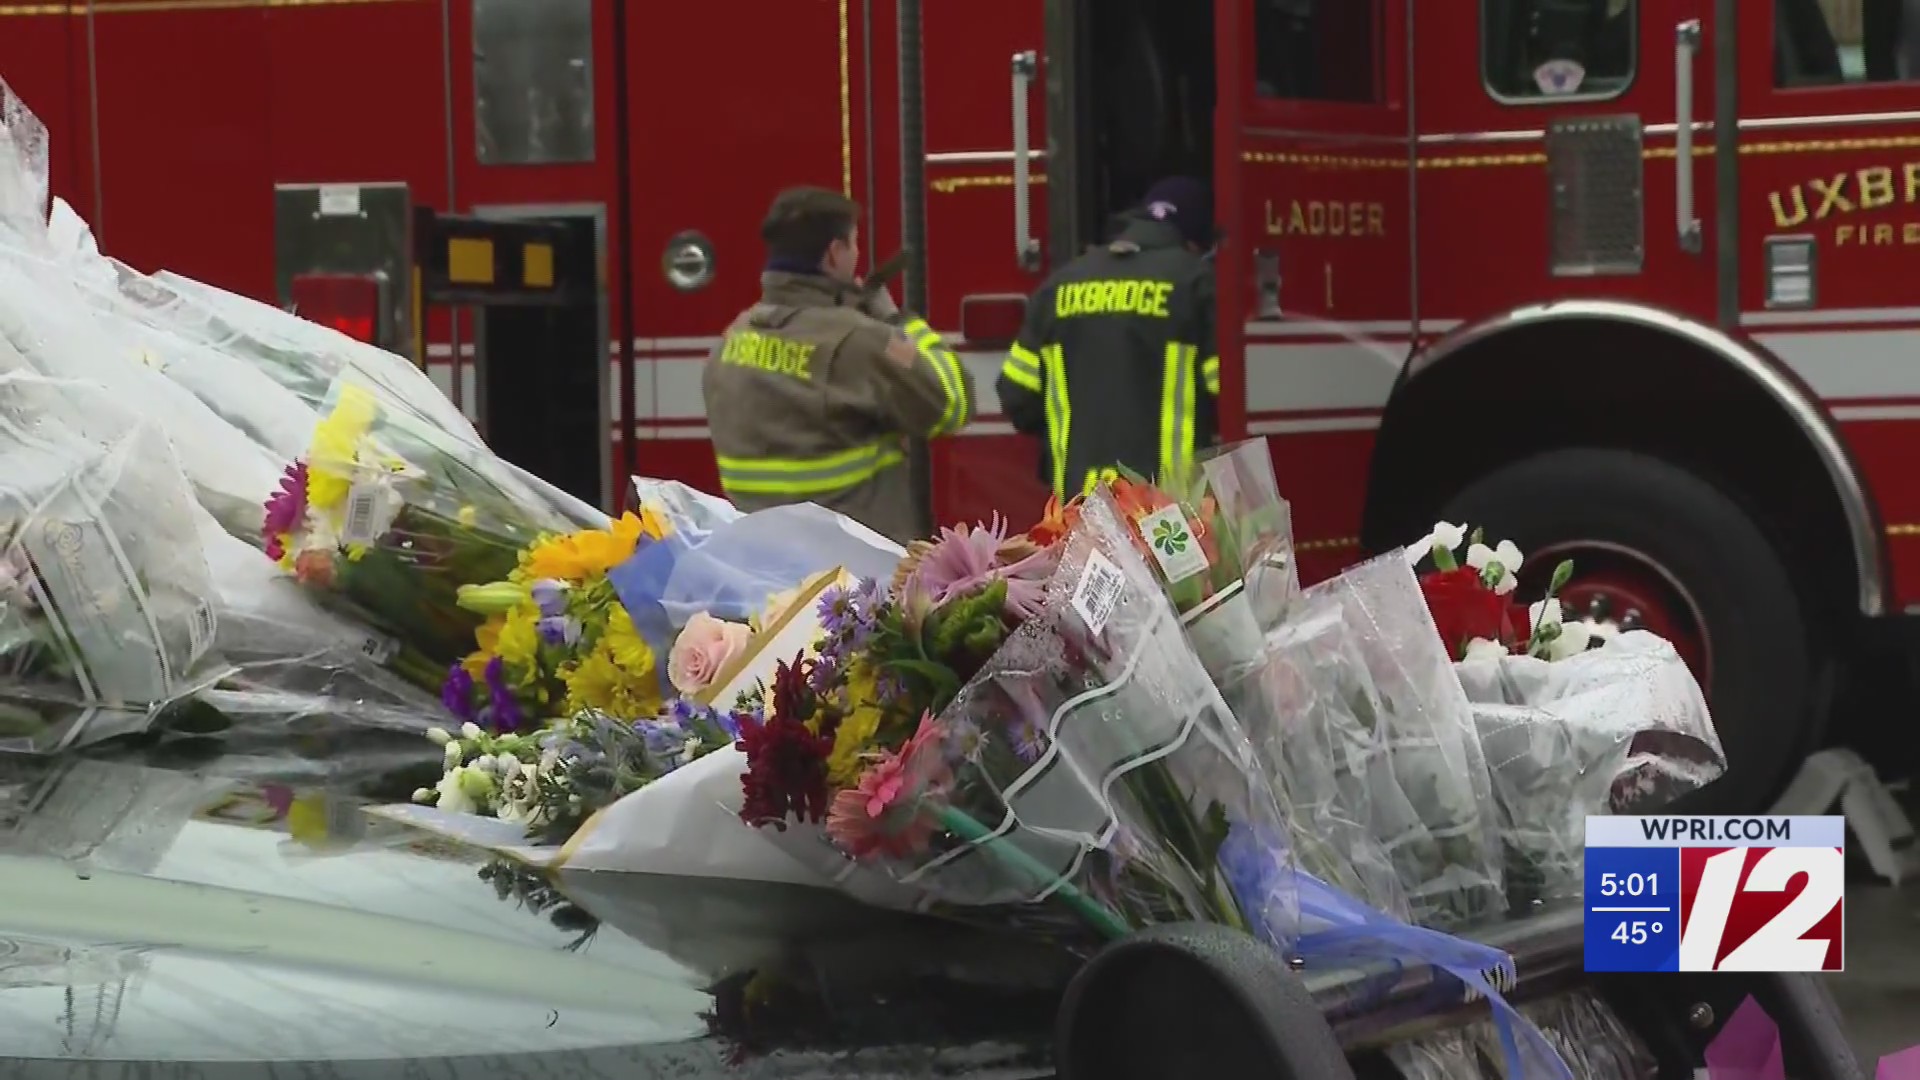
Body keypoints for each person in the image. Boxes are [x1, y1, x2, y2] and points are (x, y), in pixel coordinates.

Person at [704, 186, 974, 544]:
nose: (858, 254)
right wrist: (897, 320)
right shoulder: (860, 340)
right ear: (834, 254)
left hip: (763, 567)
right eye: (853, 244)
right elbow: (954, 404)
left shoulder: (731, 340)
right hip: (852, 578)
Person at [995, 176, 1220, 501]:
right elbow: (1226, 392)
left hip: (1080, 507)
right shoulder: (1194, 282)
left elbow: (1017, 395)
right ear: (1197, 241)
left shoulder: (1059, 286)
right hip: (1167, 514)